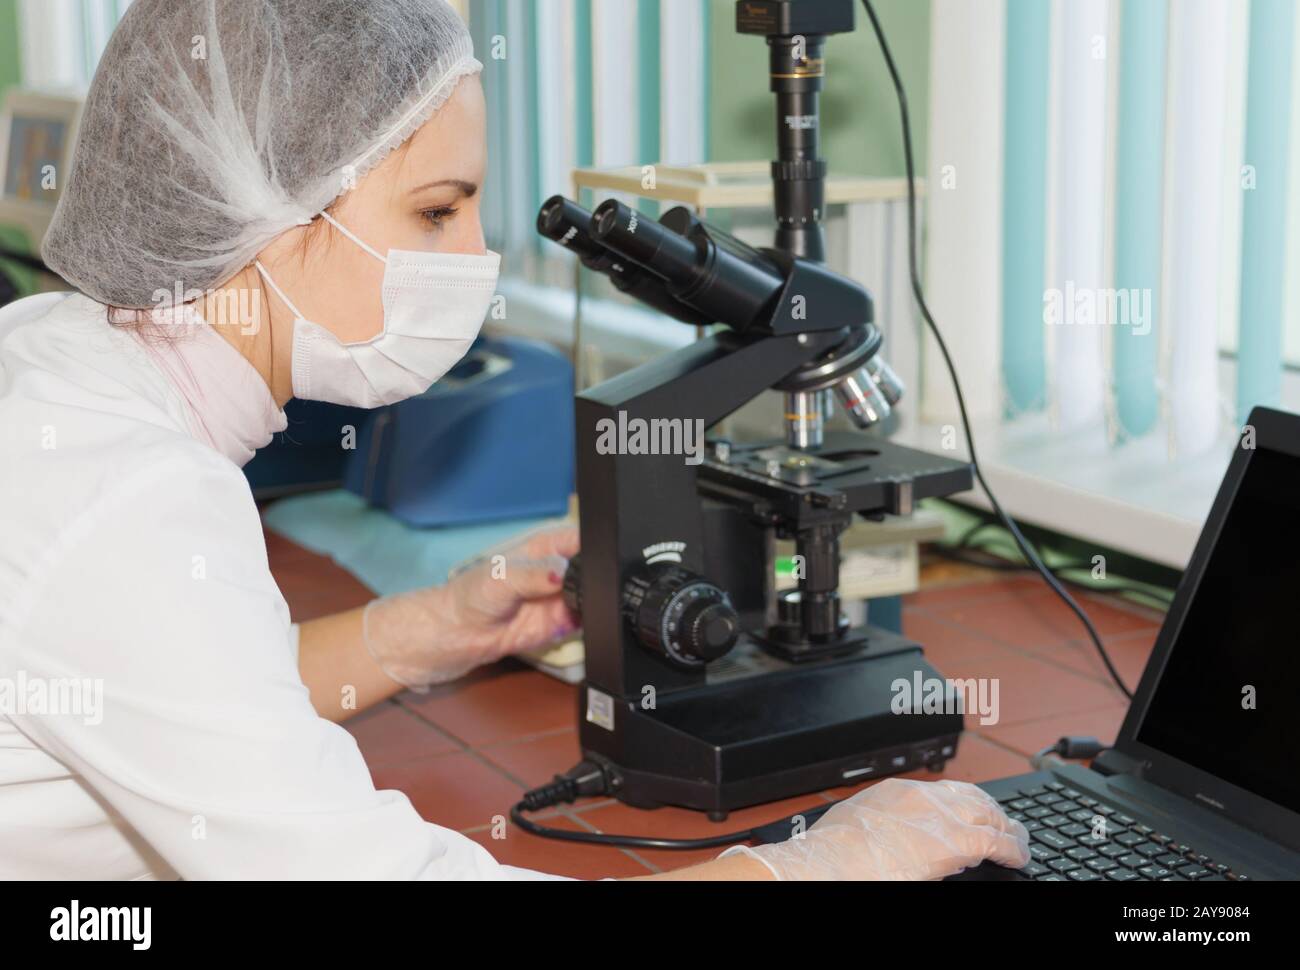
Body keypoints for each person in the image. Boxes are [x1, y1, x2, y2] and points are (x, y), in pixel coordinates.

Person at [0, 0, 1028, 881]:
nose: (479, 255)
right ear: (275, 206)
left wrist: (429, 629)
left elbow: (187, 699)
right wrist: (811, 864)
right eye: (439, 210)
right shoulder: (131, 495)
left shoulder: (54, 363)